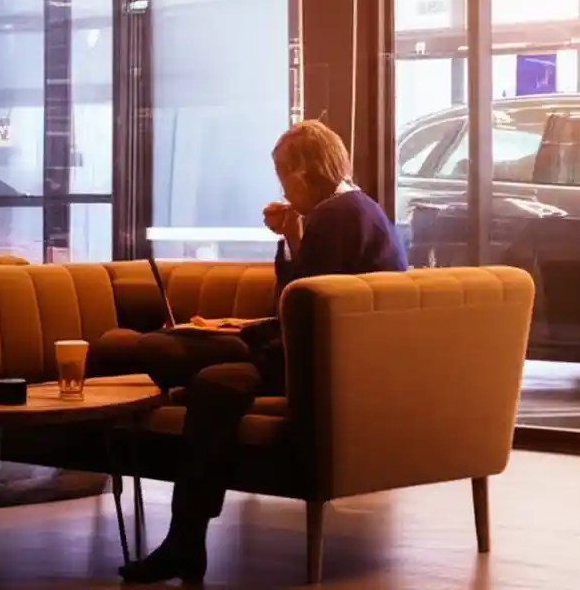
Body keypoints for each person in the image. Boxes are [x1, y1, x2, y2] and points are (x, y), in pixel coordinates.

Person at [115, 120, 407, 584]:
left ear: (302, 172)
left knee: (202, 374)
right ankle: (183, 541)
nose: (283, 188)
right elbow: (308, 299)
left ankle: (183, 542)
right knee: (205, 366)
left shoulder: (335, 218)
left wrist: (292, 234)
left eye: (283, 175)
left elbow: (295, 301)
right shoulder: (362, 210)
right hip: (332, 357)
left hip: (317, 364)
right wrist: (294, 233)